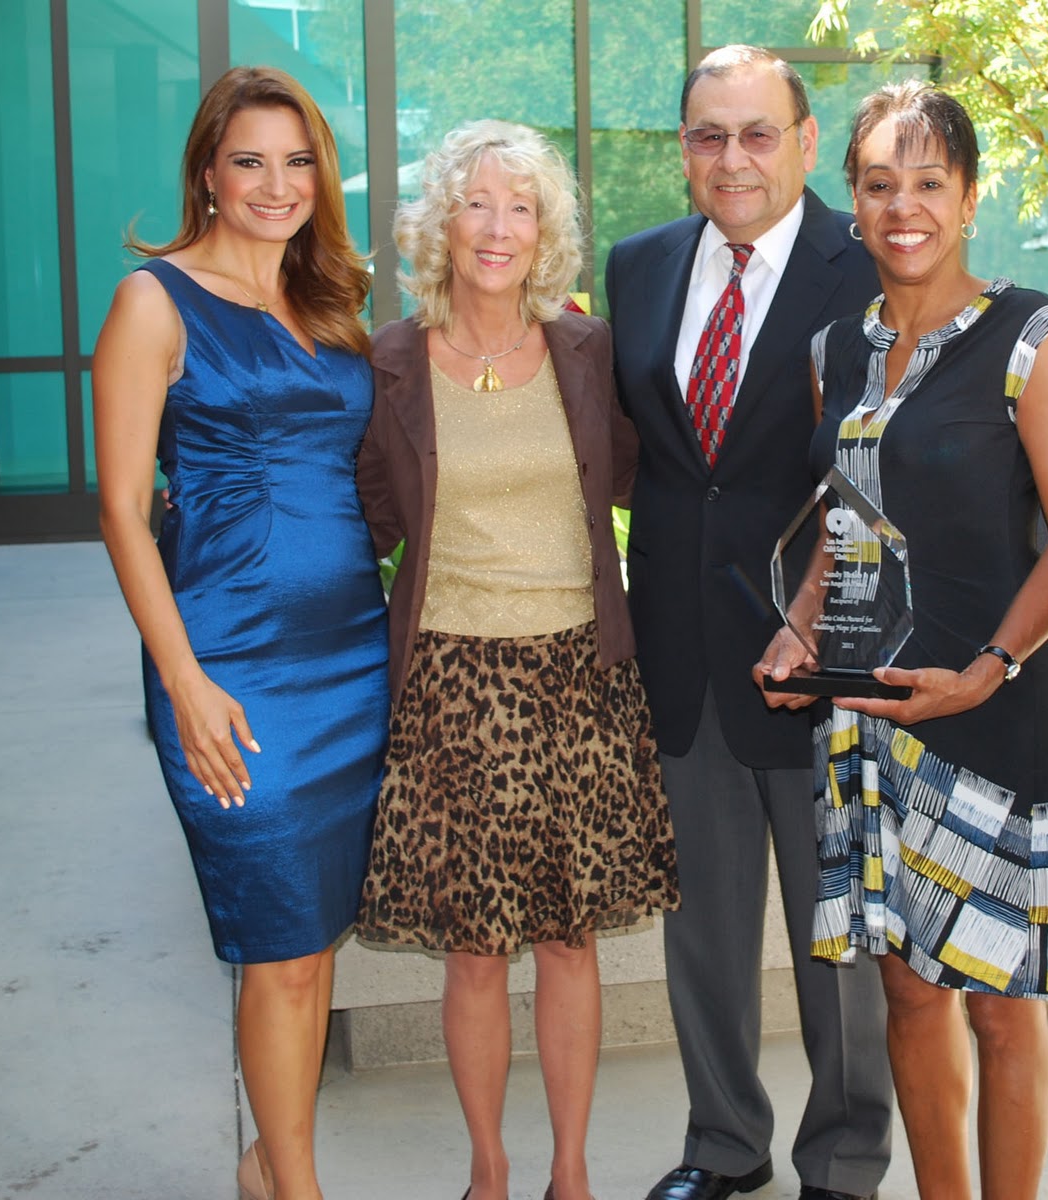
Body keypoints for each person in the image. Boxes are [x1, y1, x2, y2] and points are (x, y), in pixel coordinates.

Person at [760, 82, 1048, 1200]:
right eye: (877, 184)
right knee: (908, 992)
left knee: (1001, 1004)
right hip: (873, 724)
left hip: (992, 713)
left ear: (968, 198)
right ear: (851, 200)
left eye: (927, 183)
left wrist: (991, 667)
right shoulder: (834, 347)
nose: (901, 207)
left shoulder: (1031, 335)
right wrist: (798, 631)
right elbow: (842, 525)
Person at [352, 120, 678, 1200]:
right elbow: (361, 519)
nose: (498, 227)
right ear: (441, 224)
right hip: (451, 686)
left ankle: (570, 1173)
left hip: (580, 680)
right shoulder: (390, 362)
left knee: (571, 942)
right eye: (477, 203)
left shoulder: (585, 350)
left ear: (545, 232)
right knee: (476, 949)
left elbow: (651, 476)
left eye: (521, 207)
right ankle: (488, 1172)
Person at [605, 45, 894, 1200]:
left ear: (806, 142)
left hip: (821, 655)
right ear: (683, 150)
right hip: (683, 652)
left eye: (757, 133)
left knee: (839, 941)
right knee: (704, 936)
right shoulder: (638, 267)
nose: (733, 159)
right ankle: (723, 1144)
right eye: (708, 136)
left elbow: (888, 463)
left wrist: (825, 615)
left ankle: (844, 1158)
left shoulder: (869, 264)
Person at [94, 67, 387, 1200]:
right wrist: (183, 680)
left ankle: (270, 1161)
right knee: (279, 948)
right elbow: (123, 511)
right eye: (250, 161)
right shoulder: (154, 301)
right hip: (230, 667)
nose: (276, 184)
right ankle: (297, 1188)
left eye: (298, 161)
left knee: (312, 940)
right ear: (208, 173)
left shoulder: (330, 303)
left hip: (351, 658)